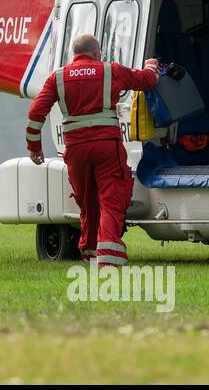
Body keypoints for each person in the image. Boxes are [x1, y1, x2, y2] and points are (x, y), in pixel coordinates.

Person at [25, 33, 159, 267]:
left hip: (75, 149)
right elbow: (146, 80)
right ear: (97, 53)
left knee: (87, 202)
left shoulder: (57, 78)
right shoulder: (110, 70)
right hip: (106, 146)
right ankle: (108, 257)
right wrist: (151, 65)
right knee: (111, 198)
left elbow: (36, 114)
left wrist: (34, 147)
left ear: (74, 55)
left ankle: (90, 252)